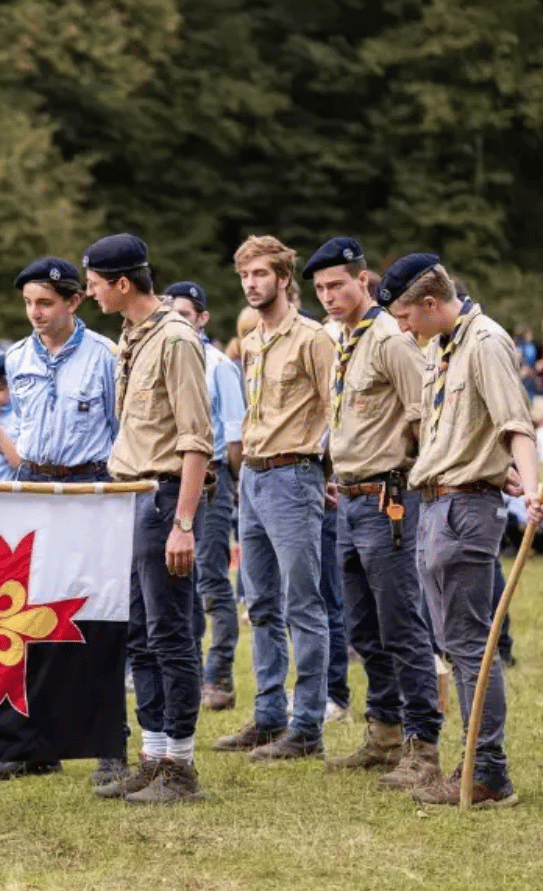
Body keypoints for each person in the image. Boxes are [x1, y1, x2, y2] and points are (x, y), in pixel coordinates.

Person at [377, 253, 543, 807]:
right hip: (436, 506)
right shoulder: (442, 348)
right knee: (454, 645)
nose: (403, 328)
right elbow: (463, 433)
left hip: (463, 513)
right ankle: (473, 762)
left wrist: (534, 486)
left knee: (473, 648)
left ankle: (487, 772)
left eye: (406, 316)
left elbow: (514, 422)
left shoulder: (486, 342)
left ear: (431, 303)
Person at [304, 237, 444, 790]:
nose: (329, 297)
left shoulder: (389, 338)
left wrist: (412, 490)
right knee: (365, 624)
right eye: (319, 289)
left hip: (389, 499)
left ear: (363, 281)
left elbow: (423, 417)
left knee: (403, 624)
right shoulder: (344, 339)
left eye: (337, 285)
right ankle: (384, 733)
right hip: (351, 497)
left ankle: (422, 744)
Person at [84, 233, 212, 805]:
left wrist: (183, 521)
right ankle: (154, 752)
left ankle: (179, 766)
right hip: (130, 495)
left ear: (122, 284)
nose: (89, 294)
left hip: (163, 499)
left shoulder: (177, 341)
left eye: (93, 285)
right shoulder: (132, 337)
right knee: (138, 633)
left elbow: (195, 438)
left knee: (170, 631)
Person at [0, 256, 119, 783]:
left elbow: (120, 427)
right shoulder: (17, 358)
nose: (35, 313)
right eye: (28, 304)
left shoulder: (106, 357)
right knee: (25, 617)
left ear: (73, 301)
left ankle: (109, 743)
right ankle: (33, 743)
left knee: (95, 615)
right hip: (32, 484)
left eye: (44, 303)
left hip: (89, 485)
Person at [214, 236, 334, 763]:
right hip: (254, 478)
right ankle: (267, 716)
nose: (251, 283)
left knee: (302, 604)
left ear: (285, 278)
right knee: (259, 604)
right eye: (245, 275)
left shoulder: (313, 338)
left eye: (261, 274)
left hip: (293, 475)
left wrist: (324, 468)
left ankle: (307, 724)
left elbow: (338, 410)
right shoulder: (253, 342)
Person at [164, 281, 245, 713]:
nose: (179, 320)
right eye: (172, 312)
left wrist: (231, 484)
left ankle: (219, 676)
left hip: (212, 479)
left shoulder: (218, 365)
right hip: (172, 480)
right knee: (178, 583)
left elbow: (235, 435)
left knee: (212, 581)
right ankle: (188, 671)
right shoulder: (166, 356)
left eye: (186, 313)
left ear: (202, 318)